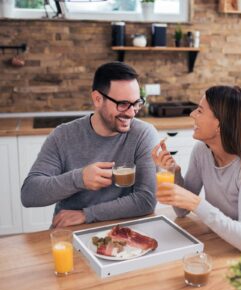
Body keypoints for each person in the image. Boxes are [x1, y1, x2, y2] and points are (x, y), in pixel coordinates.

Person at [21, 61, 158, 228]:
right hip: (70, 232)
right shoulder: (63, 136)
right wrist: (79, 179)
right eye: (123, 104)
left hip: (124, 233)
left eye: (136, 103)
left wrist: (87, 215)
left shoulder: (143, 134)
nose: (131, 112)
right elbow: (29, 194)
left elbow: (146, 200)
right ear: (98, 99)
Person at [152, 85, 241, 253]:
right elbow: (181, 210)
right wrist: (173, 172)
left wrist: (196, 202)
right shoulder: (202, 151)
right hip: (229, 246)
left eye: (200, 111)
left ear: (220, 125)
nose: (192, 114)